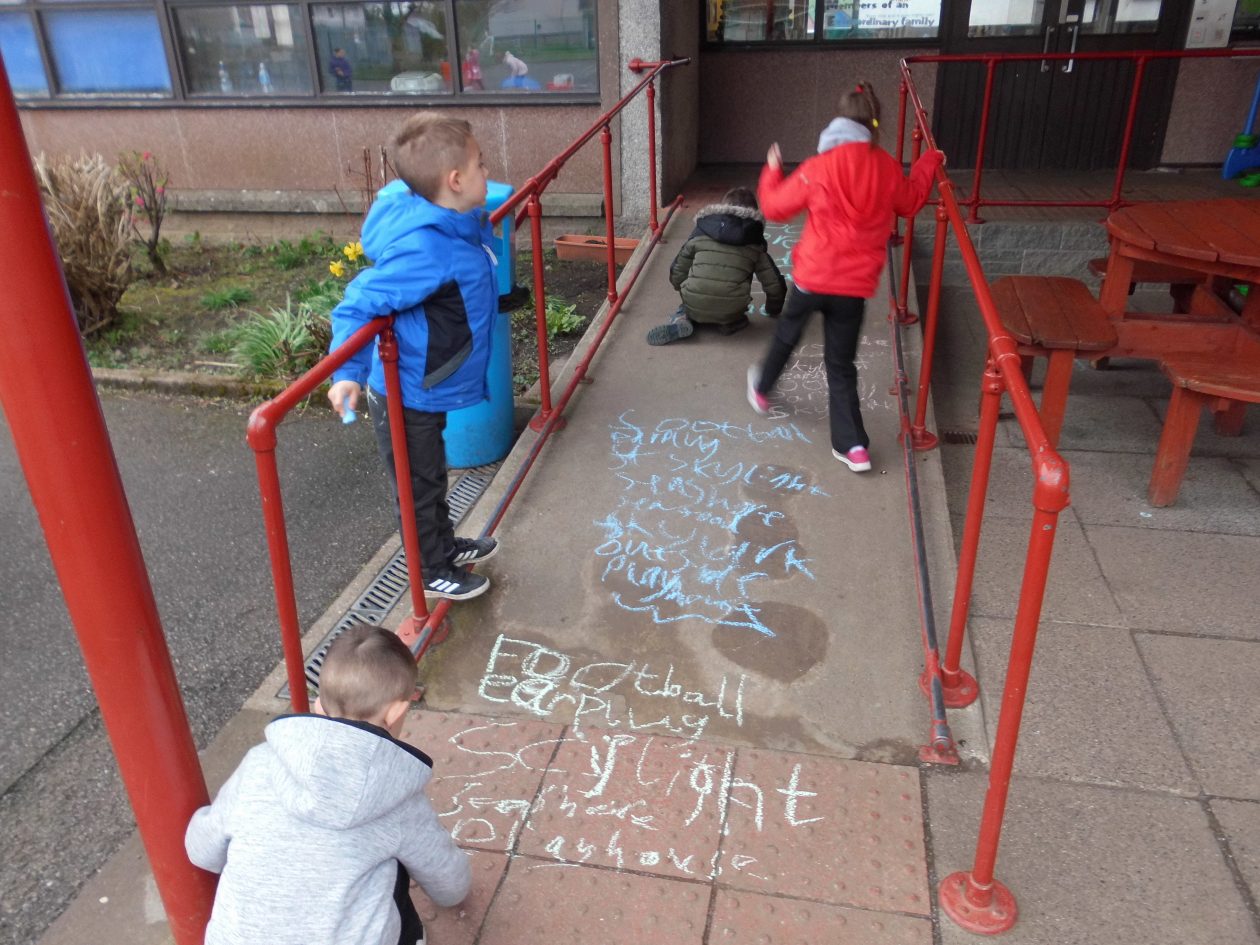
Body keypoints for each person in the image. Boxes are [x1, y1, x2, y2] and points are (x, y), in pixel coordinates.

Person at [185, 625, 471, 945]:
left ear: (318, 704)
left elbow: (202, 851)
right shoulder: (399, 798)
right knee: (391, 875)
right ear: (397, 712)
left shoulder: (259, 762)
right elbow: (450, 886)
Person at [327, 112, 501, 601]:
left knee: (432, 473)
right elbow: (358, 304)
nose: (488, 173)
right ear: (455, 180)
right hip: (405, 392)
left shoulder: (456, 222)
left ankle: (443, 545)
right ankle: (431, 569)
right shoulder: (426, 247)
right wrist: (347, 373)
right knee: (419, 485)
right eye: (481, 165)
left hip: (427, 383)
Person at [746, 80, 943, 473]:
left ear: (837, 121)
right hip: (853, 288)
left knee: (787, 335)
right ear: (874, 124)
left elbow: (774, 207)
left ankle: (762, 390)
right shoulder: (885, 165)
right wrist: (929, 162)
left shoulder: (817, 167)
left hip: (812, 278)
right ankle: (853, 447)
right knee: (841, 365)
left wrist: (771, 172)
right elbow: (910, 201)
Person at [646, 186, 786, 345]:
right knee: (735, 311)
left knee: (689, 303)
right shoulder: (755, 243)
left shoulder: (701, 230)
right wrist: (773, 308)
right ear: (754, 214)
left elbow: (677, 270)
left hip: (695, 299)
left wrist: (684, 289)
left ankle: (683, 317)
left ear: (723, 208)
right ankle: (729, 323)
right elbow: (774, 284)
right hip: (731, 307)